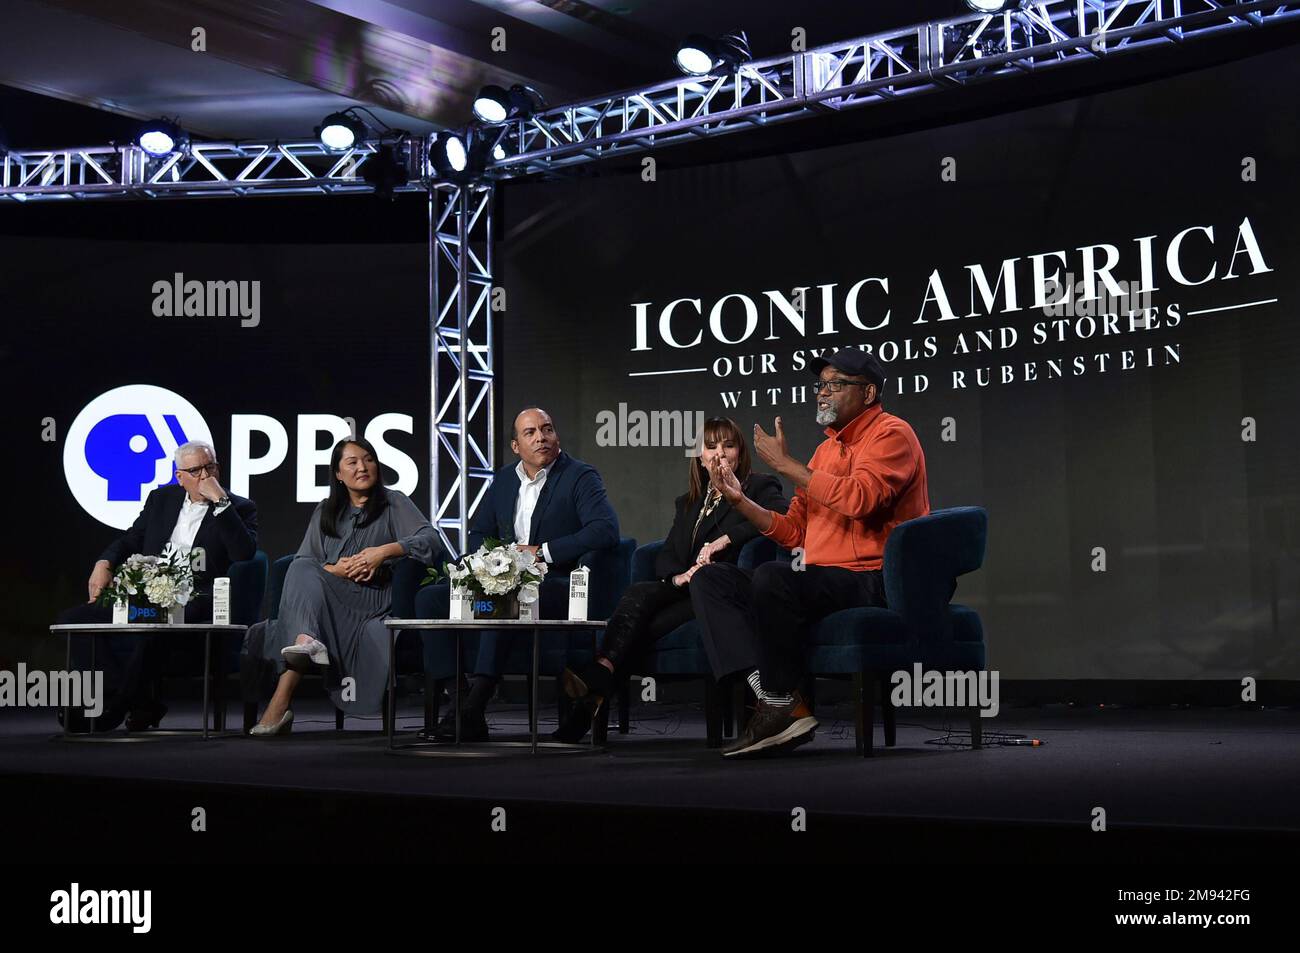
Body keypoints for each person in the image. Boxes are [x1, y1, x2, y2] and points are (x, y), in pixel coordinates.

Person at [693, 350, 930, 758]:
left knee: (772, 576)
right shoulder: (825, 452)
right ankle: (780, 701)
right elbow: (795, 531)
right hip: (822, 578)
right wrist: (740, 501)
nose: (822, 393)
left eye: (835, 385)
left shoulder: (893, 434)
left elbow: (861, 500)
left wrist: (787, 466)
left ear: (869, 392)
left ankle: (778, 705)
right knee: (711, 579)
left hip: (871, 579)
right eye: (820, 385)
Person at [551, 417, 786, 743]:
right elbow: (668, 556)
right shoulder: (690, 501)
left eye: (728, 445)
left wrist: (725, 540)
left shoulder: (760, 487)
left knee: (641, 612)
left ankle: (597, 682)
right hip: (688, 587)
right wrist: (680, 576)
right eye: (711, 446)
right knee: (642, 594)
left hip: (725, 592)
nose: (720, 453)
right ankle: (600, 680)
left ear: (740, 452)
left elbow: (777, 518)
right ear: (700, 457)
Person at [417, 407, 619, 742]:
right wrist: (498, 559)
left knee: (506, 596)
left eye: (547, 429)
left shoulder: (579, 476)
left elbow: (605, 530)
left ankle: (475, 705)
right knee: (430, 599)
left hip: (554, 583)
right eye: (531, 432)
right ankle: (460, 702)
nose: (541, 437)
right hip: (502, 575)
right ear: (515, 446)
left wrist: (541, 551)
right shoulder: (503, 481)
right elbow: (478, 533)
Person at [57, 440, 258, 732]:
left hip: (195, 598)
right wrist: (104, 563)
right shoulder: (161, 500)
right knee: (74, 621)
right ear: (180, 476)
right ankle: (133, 699)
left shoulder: (240, 507)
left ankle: (114, 710)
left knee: (154, 630)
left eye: (210, 467)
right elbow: (132, 538)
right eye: (196, 470)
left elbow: (244, 553)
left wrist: (221, 504)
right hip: (146, 592)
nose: (205, 476)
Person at [247, 437, 440, 736]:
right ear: (338, 474)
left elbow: (431, 540)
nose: (362, 467)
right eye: (352, 462)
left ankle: (280, 702)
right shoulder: (326, 510)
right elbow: (307, 560)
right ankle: (306, 642)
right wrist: (336, 569)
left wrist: (383, 551)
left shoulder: (394, 502)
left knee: (302, 574)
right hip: (333, 599)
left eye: (369, 459)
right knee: (300, 566)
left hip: (374, 599)